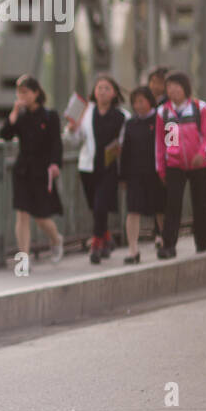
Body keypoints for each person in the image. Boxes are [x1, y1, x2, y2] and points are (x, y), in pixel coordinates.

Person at [0, 74, 65, 266]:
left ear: (36, 93)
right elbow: (5, 135)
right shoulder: (20, 116)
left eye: (25, 92)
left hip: (42, 170)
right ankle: (23, 259)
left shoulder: (49, 116)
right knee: (22, 213)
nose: (21, 96)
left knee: (41, 217)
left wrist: (55, 164)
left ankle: (56, 239)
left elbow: (56, 143)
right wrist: (12, 115)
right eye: (19, 92)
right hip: (23, 170)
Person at [66, 74, 130, 264]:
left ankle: (95, 244)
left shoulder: (123, 116)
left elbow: (127, 141)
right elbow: (74, 139)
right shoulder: (85, 111)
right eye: (99, 88)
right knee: (95, 207)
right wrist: (72, 129)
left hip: (110, 167)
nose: (102, 92)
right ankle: (106, 238)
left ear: (114, 93)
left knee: (101, 204)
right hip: (88, 166)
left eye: (106, 88)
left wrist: (121, 149)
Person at [155, 71, 206, 259]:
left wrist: (202, 153)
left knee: (200, 202)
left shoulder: (200, 107)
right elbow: (163, 143)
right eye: (169, 87)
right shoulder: (164, 112)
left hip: (200, 164)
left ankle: (203, 240)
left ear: (185, 87)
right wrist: (162, 167)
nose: (173, 90)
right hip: (175, 165)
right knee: (172, 205)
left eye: (176, 86)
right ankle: (169, 245)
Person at [119, 86, 158, 264]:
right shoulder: (130, 123)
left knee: (160, 209)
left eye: (141, 101)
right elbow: (125, 151)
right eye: (135, 102)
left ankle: (165, 241)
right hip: (135, 173)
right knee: (133, 210)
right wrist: (123, 176)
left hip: (157, 172)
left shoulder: (164, 119)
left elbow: (172, 145)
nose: (138, 105)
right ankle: (133, 249)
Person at [146, 66, 170, 246]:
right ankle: (159, 232)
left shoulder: (170, 107)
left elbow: (173, 136)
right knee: (155, 198)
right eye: (153, 82)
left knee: (165, 198)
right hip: (150, 159)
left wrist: (173, 154)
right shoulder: (144, 105)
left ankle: (166, 233)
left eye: (160, 82)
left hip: (167, 160)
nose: (156, 86)